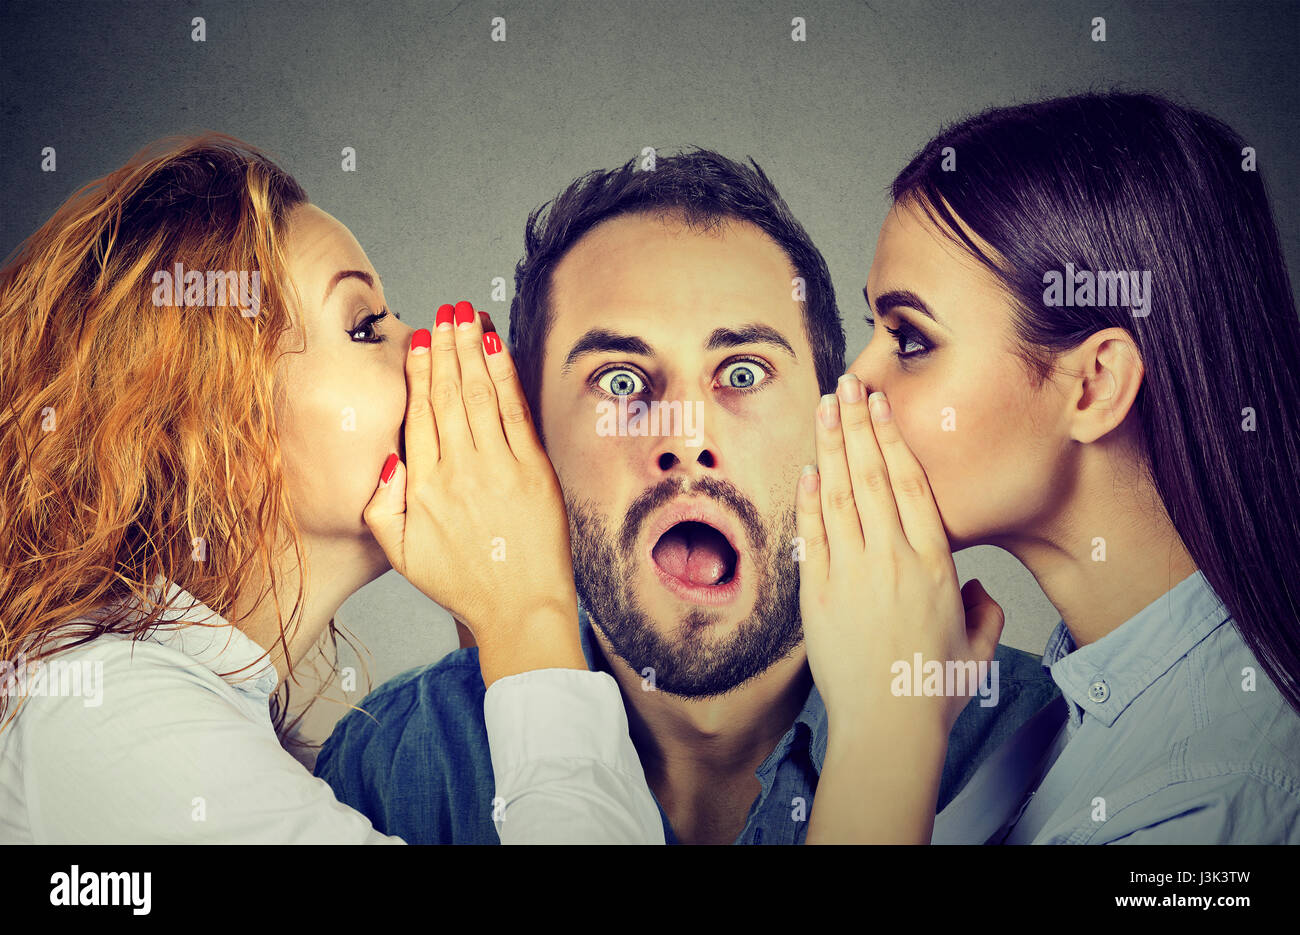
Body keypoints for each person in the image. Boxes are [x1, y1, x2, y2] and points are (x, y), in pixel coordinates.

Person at [314, 149, 1061, 844]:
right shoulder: (387, 772)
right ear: (527, 439)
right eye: (619, 381)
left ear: (830, 416)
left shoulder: (1045, 752)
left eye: (741, 373)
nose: (685, 433)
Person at [0, 134, 663, 844]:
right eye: (366, 325)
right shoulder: (110, 712)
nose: (426, 347)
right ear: (219, 422)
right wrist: (528, 612)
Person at [800, 91, 1300, 843]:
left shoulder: (1213, 800)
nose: (853, 383)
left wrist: (882, 729)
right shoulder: (1076, 712)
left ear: (1094, 385)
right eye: (876, 327)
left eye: (911, 339)